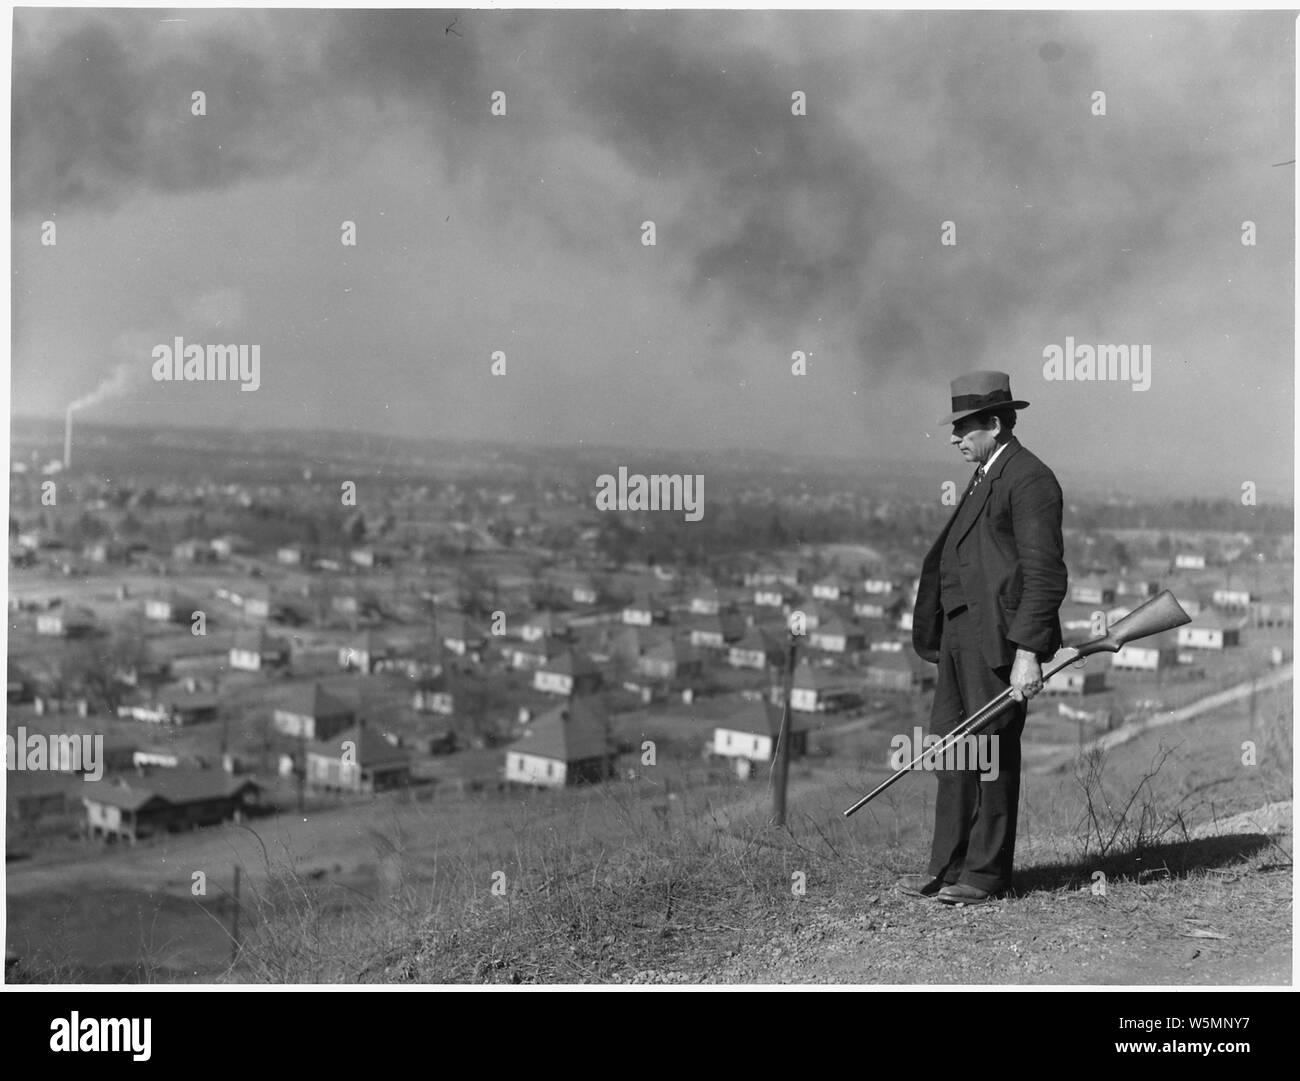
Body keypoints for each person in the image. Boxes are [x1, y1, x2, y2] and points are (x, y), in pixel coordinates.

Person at [899, 371, 1067, 905]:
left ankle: (987, 875)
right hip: (960, 635)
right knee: (953, 751)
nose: (954, 437)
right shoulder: (988, 471)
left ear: (993, 424)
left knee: (991, 752)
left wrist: (1027, 655)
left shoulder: (1029, 479)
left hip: (996, 642)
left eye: (963, 427)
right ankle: (948, 868)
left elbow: (1045, 575)